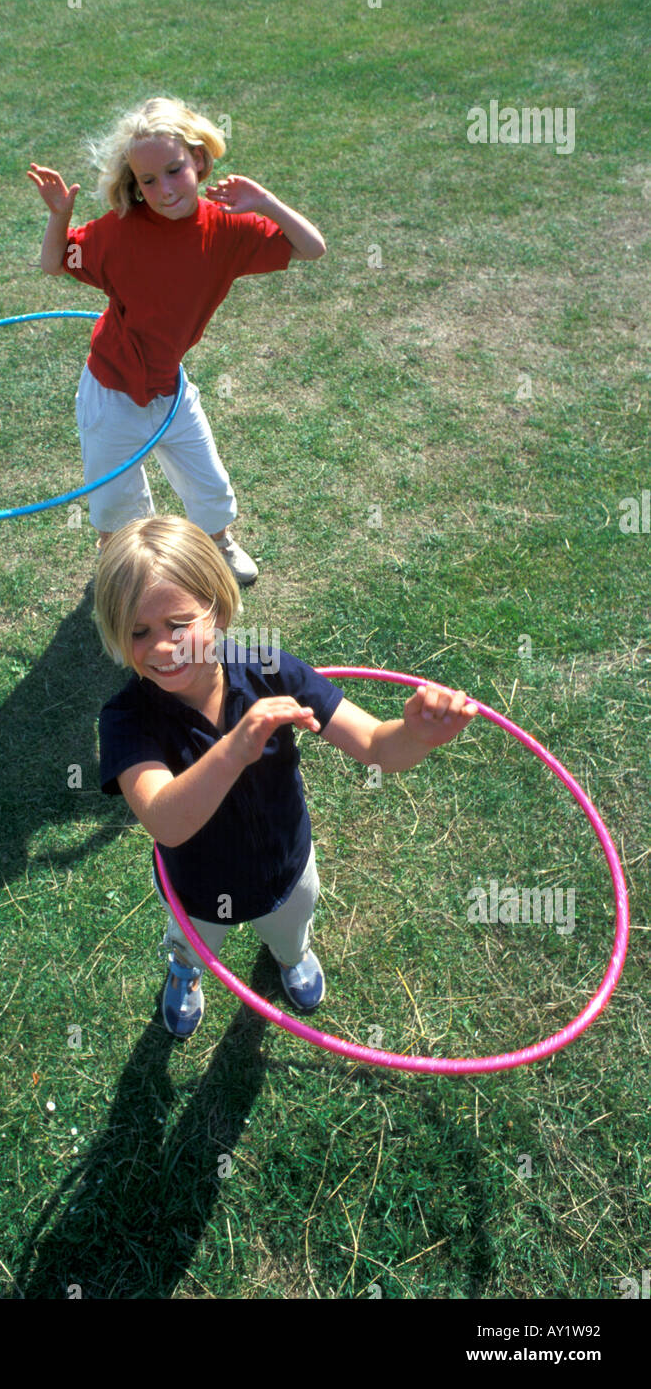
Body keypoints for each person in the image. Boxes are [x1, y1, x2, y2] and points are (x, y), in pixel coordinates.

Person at [94, 517, 479, 1039]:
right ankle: (187, 969)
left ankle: (291, 955)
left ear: (218, 607)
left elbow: (373, 747)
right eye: (138, 632)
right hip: (195, 888)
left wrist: (418, 733)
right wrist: (236, 748)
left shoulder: (269, 669)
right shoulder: (126, 719)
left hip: (288, 868)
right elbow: (167, 821)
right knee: (193, 941)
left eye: (179, 624)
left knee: (291, 925)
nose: (163, 647)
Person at [28, 96, 326, 585]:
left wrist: (266, 202)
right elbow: (53, 261)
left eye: (174, 170)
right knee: (115, 501)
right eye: (148, 181)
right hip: (110, 387)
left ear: (200, 161)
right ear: (134, 184)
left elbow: (313, 248)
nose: (164, 190)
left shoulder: (227, 229)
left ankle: (218, 542)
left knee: (207, 481)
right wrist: (60, 214)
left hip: (169, 385)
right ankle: (123, 566)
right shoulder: (118, 233)